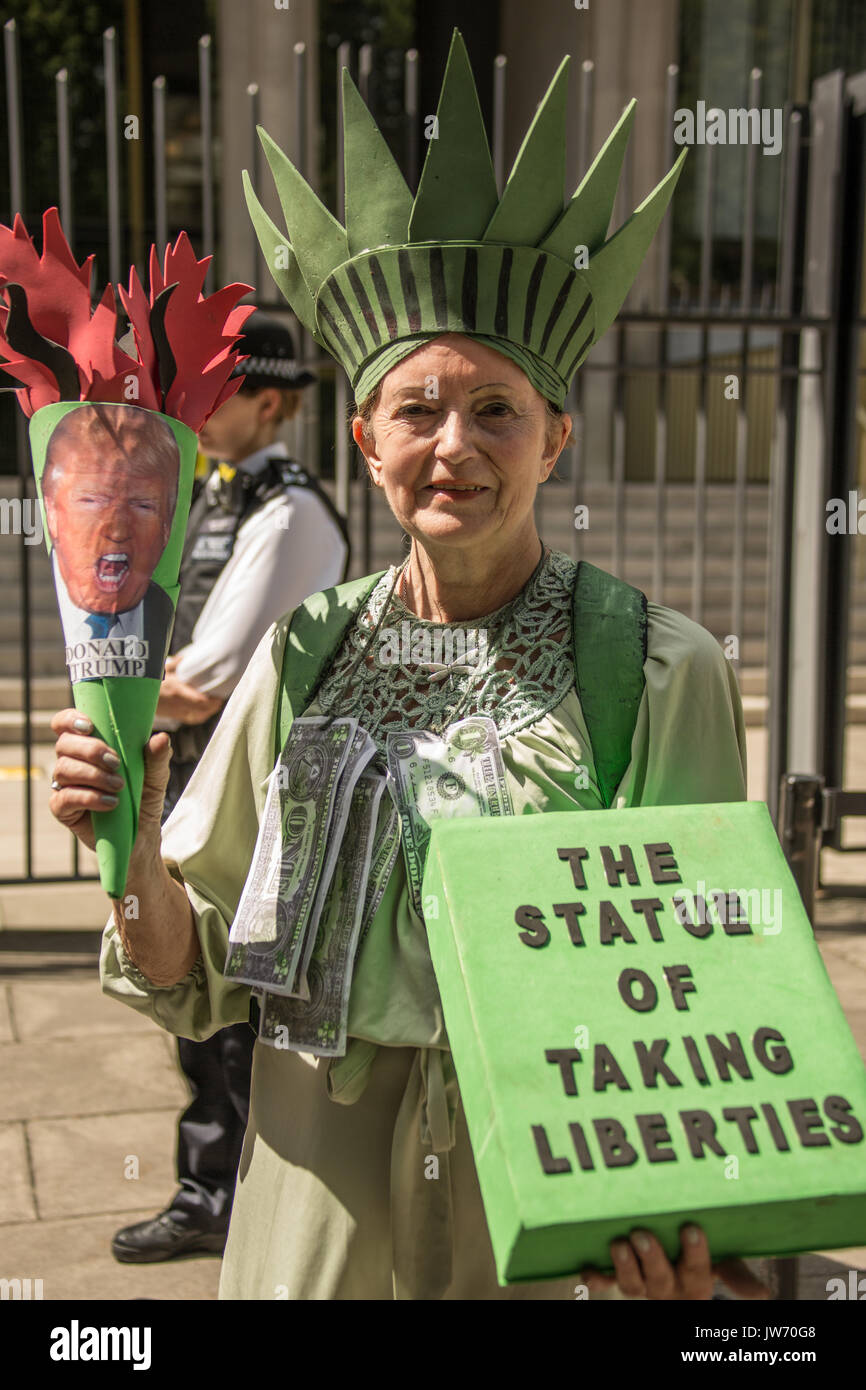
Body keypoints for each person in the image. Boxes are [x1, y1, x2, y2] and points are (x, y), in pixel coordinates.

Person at [49, 35, 767, 1299]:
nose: (453, 444)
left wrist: (701, 1259)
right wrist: (133, 843)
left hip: (540, 1218)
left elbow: (704, 991)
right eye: (415, 409)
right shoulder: (304, 647)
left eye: (493, 409)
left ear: (554, 435)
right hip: (312, 1220)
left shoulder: (657, 670)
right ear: (368, 443)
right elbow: (192, 964)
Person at [108, 312, 349, 1263]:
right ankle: (214, 1193)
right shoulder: (213, 497)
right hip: (193, 781)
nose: (198, 408)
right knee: (187, 1003)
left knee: (236, 1006)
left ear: (271, 401)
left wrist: (116, 669)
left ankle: (248, 1204)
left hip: (250, 795)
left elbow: (203, 675)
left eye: (220, 391)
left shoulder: (287, 510)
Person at [44, 404, 179, 677]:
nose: (117, 531)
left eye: (142, 505)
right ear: (51, 511)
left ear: (167, 525)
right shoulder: (38, 617)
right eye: (92, 501)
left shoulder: (180, 622)